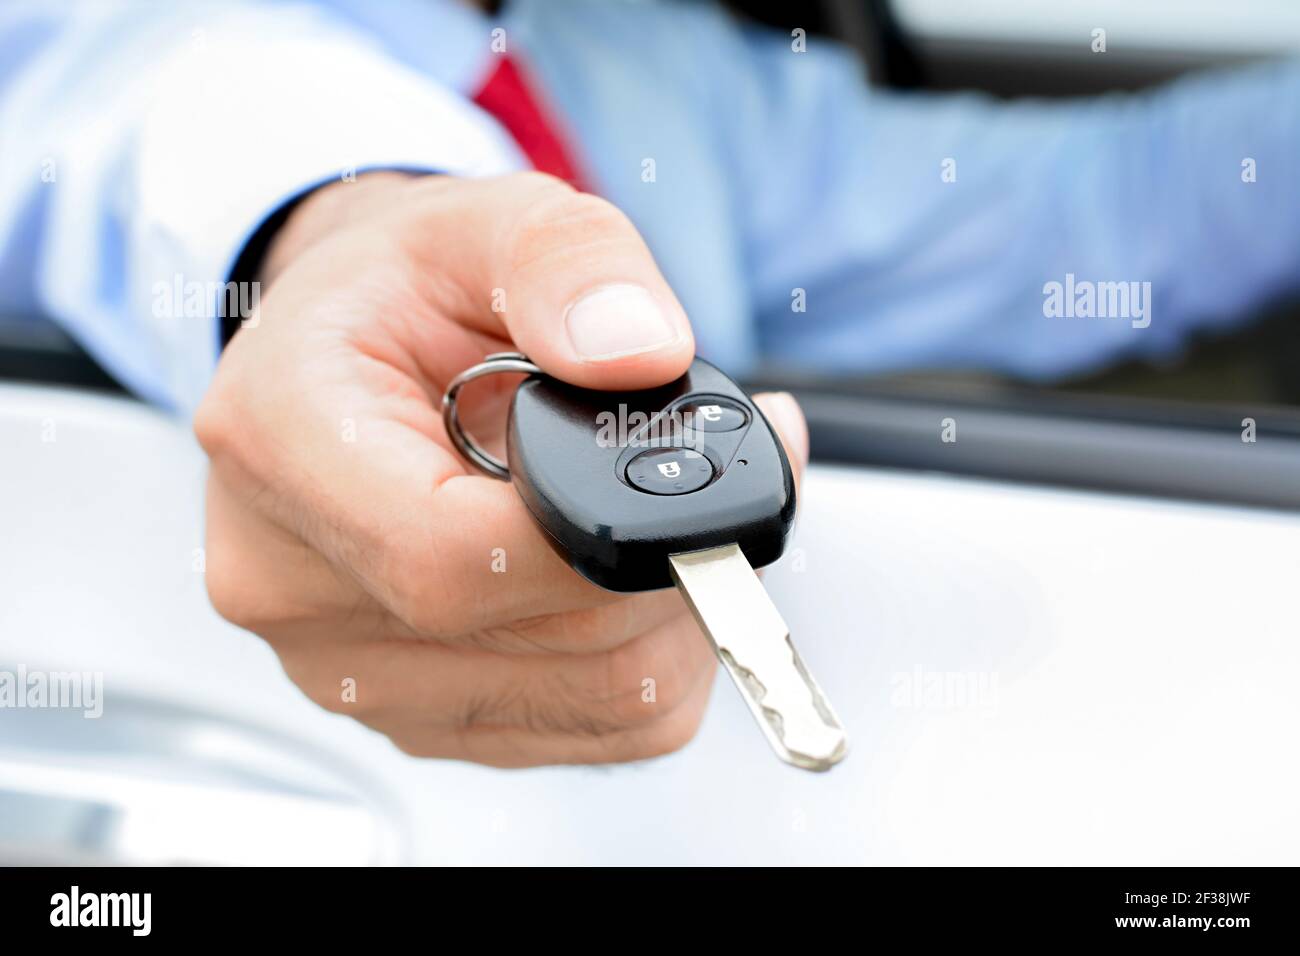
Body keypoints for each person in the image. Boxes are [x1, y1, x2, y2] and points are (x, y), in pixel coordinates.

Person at [2, 0, 1296, 766]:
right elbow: (156, 107)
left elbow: (1104, 212)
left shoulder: (659, 69)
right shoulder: (128, 49)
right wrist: (330, 227)